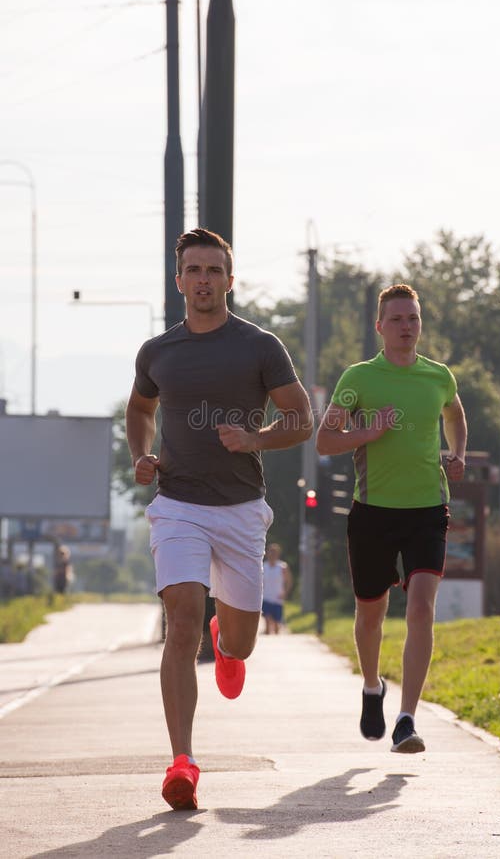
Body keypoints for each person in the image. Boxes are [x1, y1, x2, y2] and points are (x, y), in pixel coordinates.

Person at [126, 227, 312, 810]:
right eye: (193, 271)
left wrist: (255, 437)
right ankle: (182, 762)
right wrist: (141, 453)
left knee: (240, 642)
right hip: (178, 503)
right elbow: (139, 406)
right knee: (179, 619)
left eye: (214, 271)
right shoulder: (158, 352)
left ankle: (226, 646)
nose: (203, 280)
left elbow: (302, 419)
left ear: (229, 280)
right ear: (178, 280)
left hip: (239, 510)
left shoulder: (260, 347)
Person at [316, 283, 467, 754]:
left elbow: (455, 415)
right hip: (373, 512)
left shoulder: (438, 376)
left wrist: (457, 452)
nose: (407, 327)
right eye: (397, 320)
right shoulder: (358, 378)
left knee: (421, 607)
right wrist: (369, 431)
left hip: (427, 508)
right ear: (379, 326)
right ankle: (371, 686)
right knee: (370, 615)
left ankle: (407, 718)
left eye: (414, 319)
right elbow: (325, 441)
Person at [261, 542, 293, 634]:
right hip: (266, 597)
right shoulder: (263, 566)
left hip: (277, 598)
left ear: (278, 554)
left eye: (274, 552)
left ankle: (276, 637)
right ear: (267, 553)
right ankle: (268, 638)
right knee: (267, 623)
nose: (272, 554)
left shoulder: (283, 567)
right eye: (270, 552)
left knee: (276, 625)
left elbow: (289, 581)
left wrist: (285, 593)